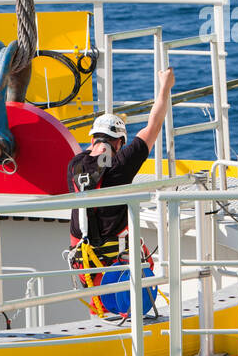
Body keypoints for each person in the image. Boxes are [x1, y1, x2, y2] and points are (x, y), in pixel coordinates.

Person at [67, 69, 175, 274]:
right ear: (119, 143)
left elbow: (95, 156)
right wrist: (165, 87)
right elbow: (153, 126)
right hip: (116, 265)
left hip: (83, 265)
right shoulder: (120, 165)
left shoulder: (73, 165)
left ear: (92, 139)